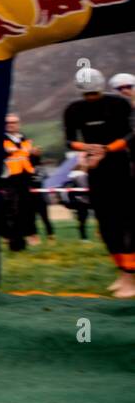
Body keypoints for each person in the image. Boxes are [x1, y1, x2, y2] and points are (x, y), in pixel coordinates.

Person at [63, 68, 135, 297]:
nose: (91, 98)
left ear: (101, 87)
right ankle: (121, 271)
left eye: (94, 93)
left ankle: (130, 277)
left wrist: (108, 149)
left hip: (122, 168)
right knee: (106, 223)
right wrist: (85, 148)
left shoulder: (118, 104)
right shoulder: (74, 109)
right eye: (87, 94)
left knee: (127, 222)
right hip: (96, 170)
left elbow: (131, 134)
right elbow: (69, 140)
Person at [0, 114, 37, 252]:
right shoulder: (1, 140)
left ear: (19, 124)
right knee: (12, 211)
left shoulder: (24, 139)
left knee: (25, 211)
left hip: (25, 179)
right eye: (8, 123)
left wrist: (35, 158)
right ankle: (14, 242)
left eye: (14, 122)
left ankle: (21, 241)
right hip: (9, 180)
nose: (11, 125)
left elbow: (27, 159)